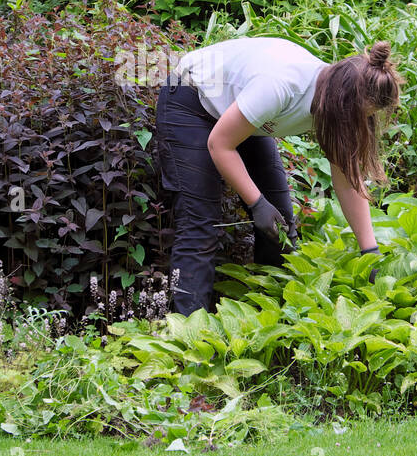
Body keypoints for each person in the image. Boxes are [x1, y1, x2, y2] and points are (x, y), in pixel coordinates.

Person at [154, 36, 403, 315]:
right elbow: (220, 144)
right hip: (192, 99)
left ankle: (268, 319)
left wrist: (369, 252)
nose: (358, 124)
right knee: (200, 219)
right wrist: (256, 203)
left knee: (280, 226)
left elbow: (347, 180)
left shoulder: (336, 96)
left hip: (242, 109)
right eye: (357, 116)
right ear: (341, 101)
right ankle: (188, 334)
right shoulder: (281, 86)